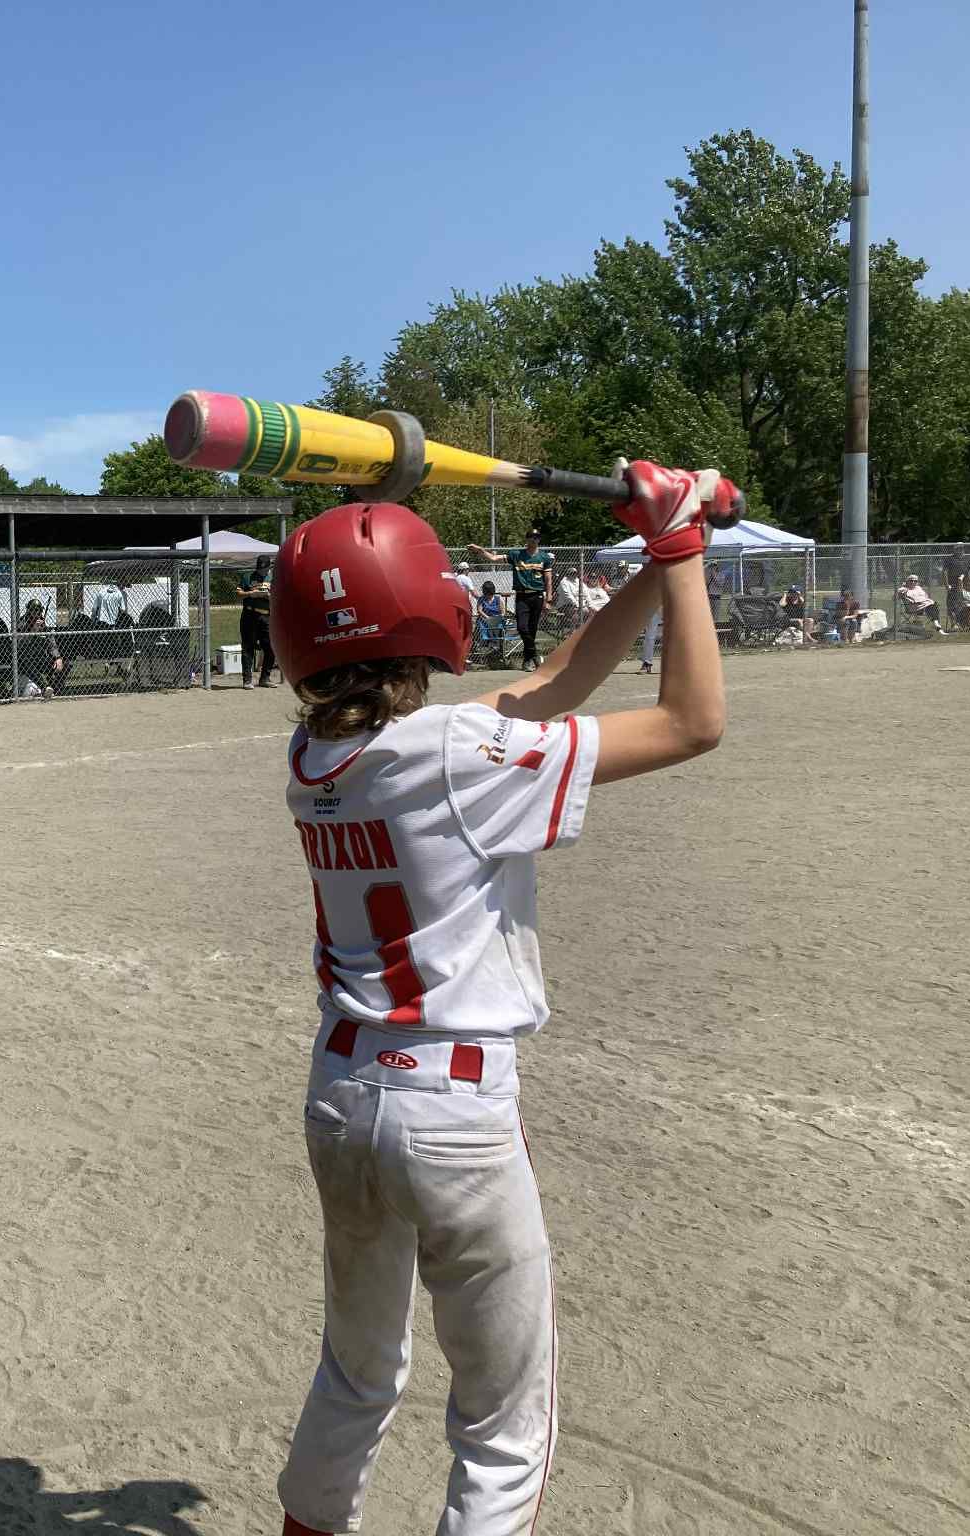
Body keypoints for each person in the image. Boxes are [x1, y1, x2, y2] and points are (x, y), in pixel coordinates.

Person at [270, 463, 734, 1536]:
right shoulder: (454, 754)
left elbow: (550, 684)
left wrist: (655, 558)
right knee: (500, 1424)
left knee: (355, 1371)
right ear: (429, 606)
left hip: (342, 1092)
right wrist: (679, 560)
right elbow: (692, 721)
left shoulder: (317, 754)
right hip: (453, 1114)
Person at [467, 528, 555, 669]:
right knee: (522, 627)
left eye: (537, 537)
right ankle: (535, 656)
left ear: (539, 539)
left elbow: (548, 580)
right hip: (522, 596)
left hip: (537, 596)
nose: (534, 539)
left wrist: (549, 600)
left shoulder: (544, 558)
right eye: (531, 537)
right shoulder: (516, 555)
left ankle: (527, 662)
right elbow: (493, 558)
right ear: (527, 539)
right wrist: (479, 549)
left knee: (532, 630)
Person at [238, 557, 277, 687]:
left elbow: (280, 594)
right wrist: (250, 594)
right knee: (248, 647)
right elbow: (239, 592)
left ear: (269, 567)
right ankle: (247, 680)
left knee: (271, 648)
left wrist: (269, 596)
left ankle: (265, 678)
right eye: (260, 569)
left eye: (264, 569)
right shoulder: (248, 576)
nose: (262, 572)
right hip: (250, 615)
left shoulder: (274, 578)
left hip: (266, 617)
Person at [18, 598, 66, 697]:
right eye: (33, 610)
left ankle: (57, 690)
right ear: (28, 610)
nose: (36, 613)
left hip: (39, 658)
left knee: (63, 663)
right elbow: (19, 644)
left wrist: (57, 658)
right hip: (24, 660)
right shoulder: (22, 623)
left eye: (38, 611)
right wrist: (33, 631)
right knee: (26, 661)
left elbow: (51, 643)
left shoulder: (42, 624)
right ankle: (45, 687)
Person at [473, 580, 507, 668]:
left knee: (498, 625)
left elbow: (503, 612)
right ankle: (489, 644)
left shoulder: (498, 598)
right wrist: (487, 617)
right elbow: (479, 610)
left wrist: (496, 618)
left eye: (490, 594)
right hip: (485, 618)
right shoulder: (482, 599)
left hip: (496, 619)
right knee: (483, 624)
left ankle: (495, 645)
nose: (488, 596)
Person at [944, 547, 969, 632]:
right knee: (951, 606)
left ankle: (962, 624)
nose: (960, 551)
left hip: (964, 587)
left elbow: (968, 572)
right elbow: (944, 572)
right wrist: (947, 585)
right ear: (955, 550)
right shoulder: (950, 559)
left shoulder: (966, 560)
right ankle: (954, 624)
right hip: (953, 587)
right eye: (958, 549)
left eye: (962, 549)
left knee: (961, 606)